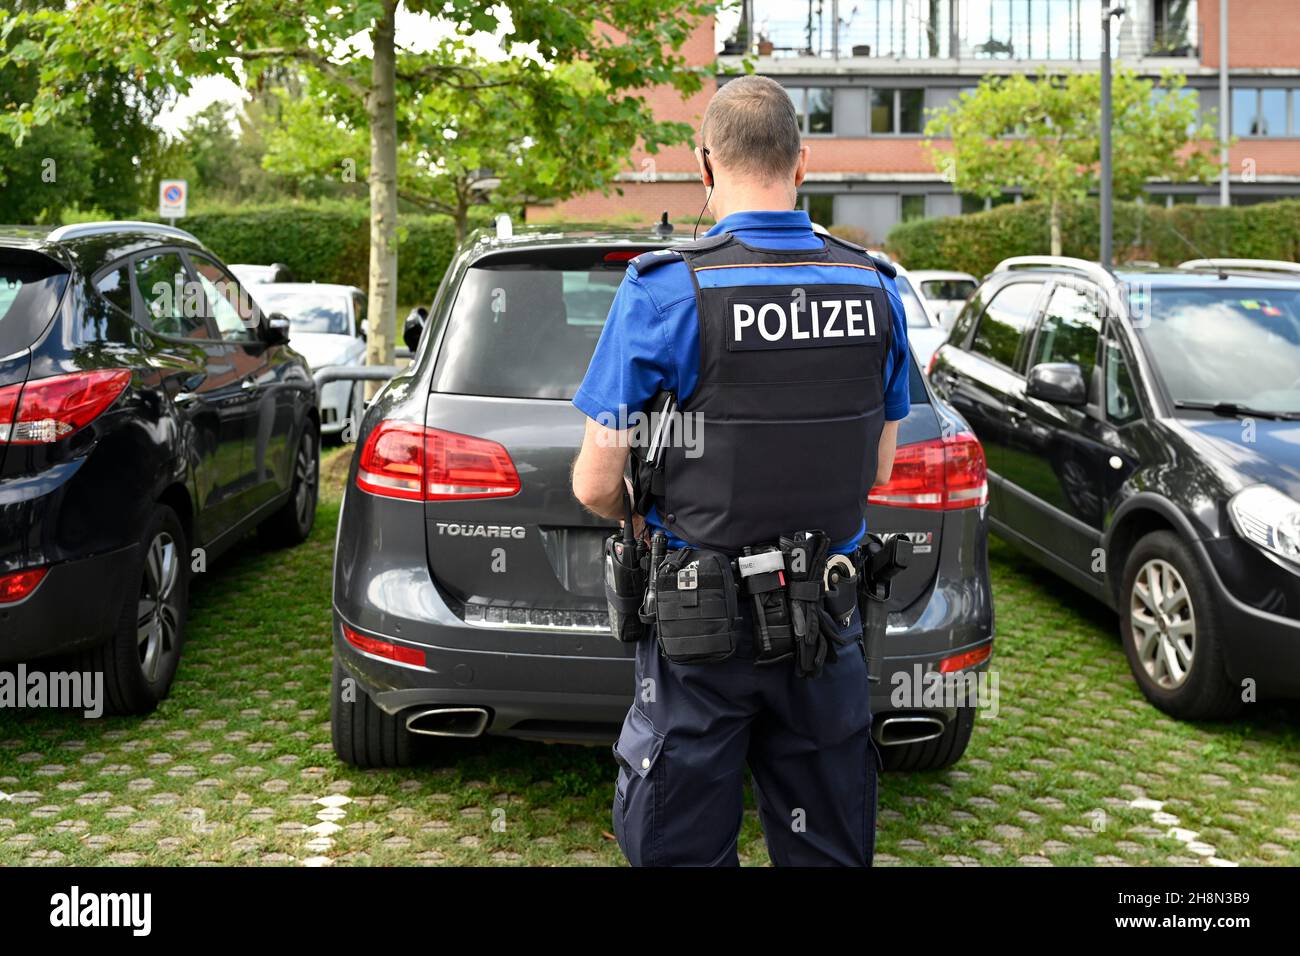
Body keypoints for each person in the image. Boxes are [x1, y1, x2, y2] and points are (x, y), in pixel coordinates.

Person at [571, 75, 911, 867]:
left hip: (702, 636)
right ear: (803, 163)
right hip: (826, 627)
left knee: (681, 847)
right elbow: (881, 467)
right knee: (826, 849)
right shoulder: (874, 288)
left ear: (705, 166)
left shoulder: (666, 291)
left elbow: (594, 483)